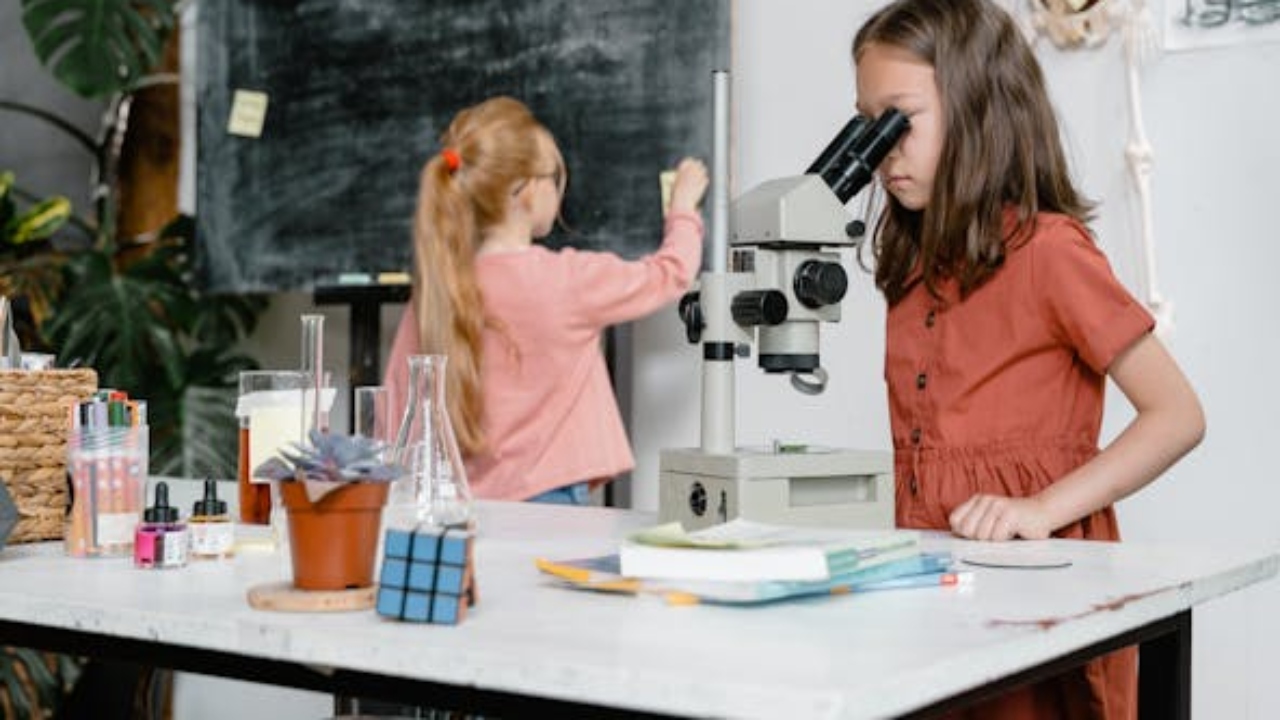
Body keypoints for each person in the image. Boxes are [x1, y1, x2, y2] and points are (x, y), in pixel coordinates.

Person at [852, 0, 1205, 718]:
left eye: (900, 119)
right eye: (866, 123)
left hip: (1042, 600)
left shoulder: (1049, 252)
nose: (880, 147)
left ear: (978, 109)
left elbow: (1178, 416)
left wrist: (1041, 508)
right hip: (938, 592)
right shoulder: (913, 268)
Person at [383, 96, 709, 506]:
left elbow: (395, 411)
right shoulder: (566, 281)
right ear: (526, 192)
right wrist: (682, 209)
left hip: (466, 509)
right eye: (554, 176)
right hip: (553, 505)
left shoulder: (437, 291)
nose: (558, 188)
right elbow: (670, 273)